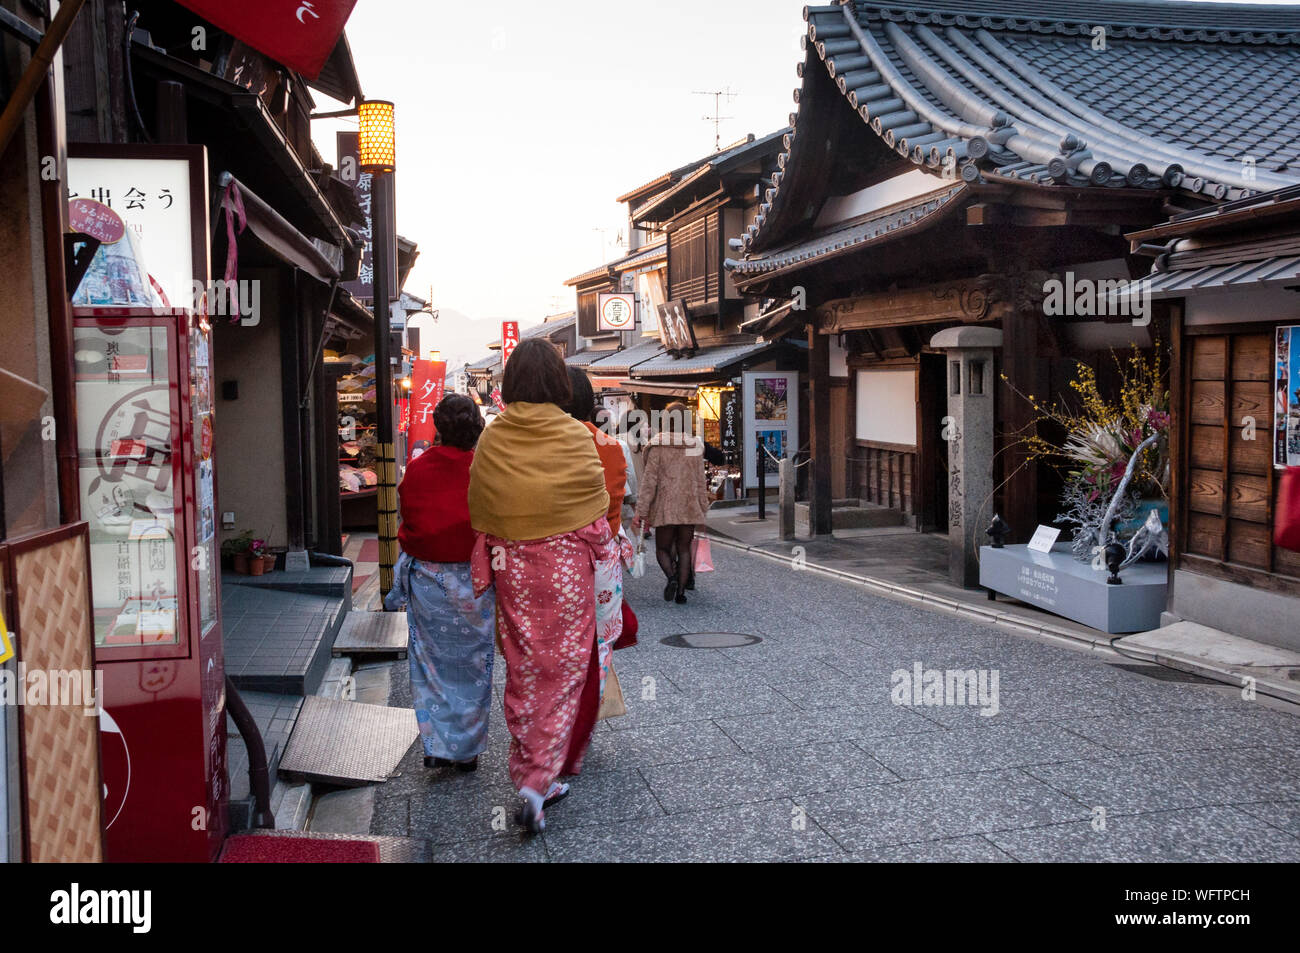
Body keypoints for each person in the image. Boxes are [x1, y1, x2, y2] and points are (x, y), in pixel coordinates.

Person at [467, 338, 618, 833]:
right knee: (564, 674)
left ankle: (531, 775)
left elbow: (482, 511)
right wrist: (608, 559)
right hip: (568, 575)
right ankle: (539, 780)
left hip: (514, 571)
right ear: (558, 382)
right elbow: (595, 517)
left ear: (510, 382)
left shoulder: (493, 437)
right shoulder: (575, 436)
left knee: (525, 671)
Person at [385, 394, 492, 773]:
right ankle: (468, 749)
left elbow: (409, 514)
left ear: (439, 427)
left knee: (432, 664)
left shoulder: (419, 466)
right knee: (474, 664)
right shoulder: (486, 467)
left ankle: (439, 745)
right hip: (476, 579)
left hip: (430, 579)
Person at [634, 401, 711, 604]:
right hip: (688, 505)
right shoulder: (694, 444)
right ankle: (681, 594)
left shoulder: (657, 446)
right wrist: (703, 506)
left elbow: (649, 482)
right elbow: (700, 480)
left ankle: (672, 577)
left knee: (662, 549)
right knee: (684, 548)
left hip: (664, 506)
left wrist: (641, 510)